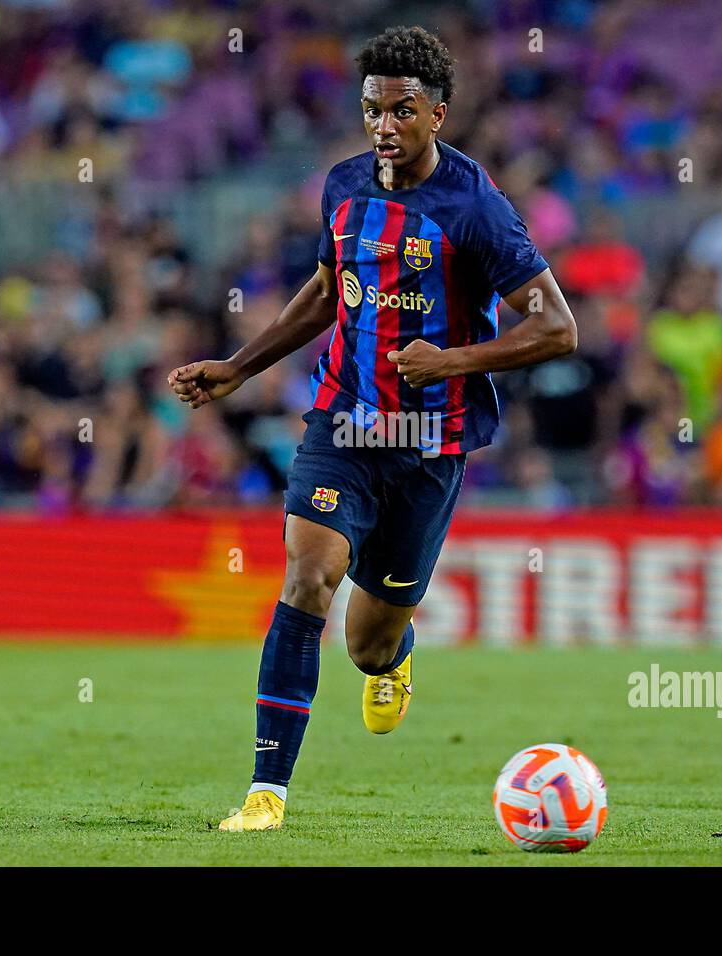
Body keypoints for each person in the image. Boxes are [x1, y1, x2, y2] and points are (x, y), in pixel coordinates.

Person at [169, 26, 577, 831]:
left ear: (437, 114)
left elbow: (557, 328)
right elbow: (327, 292)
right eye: (371, 109)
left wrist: (455, 360)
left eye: (400, 110)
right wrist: (241, 366)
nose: (383, 125)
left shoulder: (477, 207)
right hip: (342, 425)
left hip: (429, 444)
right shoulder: (344, 186)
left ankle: (396, 656)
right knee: (307, 576)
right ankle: (267, 793)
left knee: (365, 644)